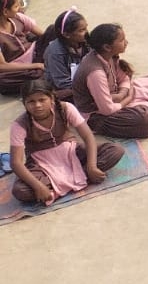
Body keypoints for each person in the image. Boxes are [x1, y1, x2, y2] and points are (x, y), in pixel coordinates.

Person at [9, 76, 123, 206]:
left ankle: (76, 177)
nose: (37, 105)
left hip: (71, 152)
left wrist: (91, 165)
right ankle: (79, 177)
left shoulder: (66, 108)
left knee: (115, 150)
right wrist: (38, 186)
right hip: (41, 164)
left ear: (51, 99)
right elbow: (16, 162)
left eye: (42, 100)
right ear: (24, 103)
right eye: (31, 102)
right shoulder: (19, 124)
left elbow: (88, 136)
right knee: (20, 191)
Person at [71, 23, 148, 140]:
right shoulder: (95, 73)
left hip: (118, 96)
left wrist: (123, 92)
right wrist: (127, 98)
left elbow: (124, 78)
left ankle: (145, 108)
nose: (126, 42)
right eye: (122, 40)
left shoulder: (110, 55)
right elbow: (107, 109)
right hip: (99, 114)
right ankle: (146, 109)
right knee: (145, 121)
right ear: (107, 47)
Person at [42, 8, 88, 97]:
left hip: (83, 81)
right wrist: (91, 86)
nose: (86, 32)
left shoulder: (86, 43)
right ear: (67, 34)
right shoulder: (55, 53)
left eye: (86, 28)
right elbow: (63, 83)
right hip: (65, 89)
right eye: (81, 30)